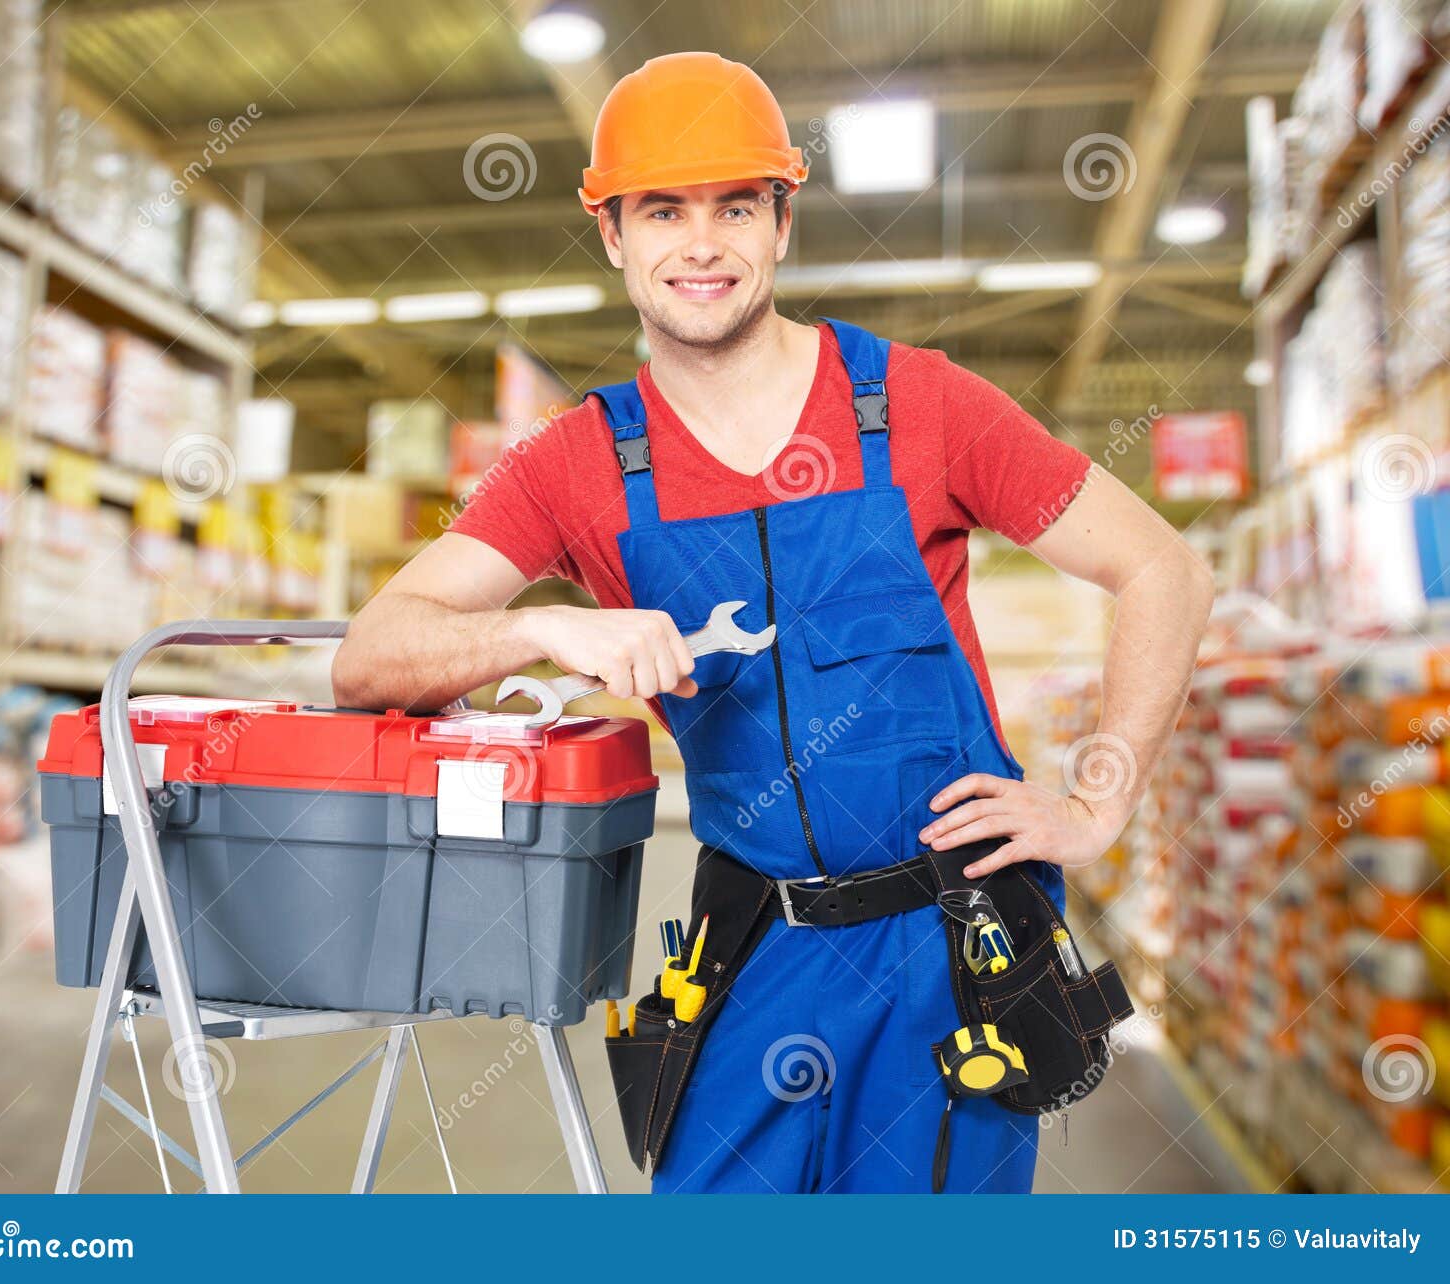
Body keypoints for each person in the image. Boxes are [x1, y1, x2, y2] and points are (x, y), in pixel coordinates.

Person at [333, 51, 1214, 1194]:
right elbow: (372, 657)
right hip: (754, 951)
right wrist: (542, 630)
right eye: (662, 210)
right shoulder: (578, 462)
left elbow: (1164, 571)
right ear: (610, 234)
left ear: (780, 222)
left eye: (734, 206)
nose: (700, 245)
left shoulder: (917, 407)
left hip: (954, 950)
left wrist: (1097, 802)